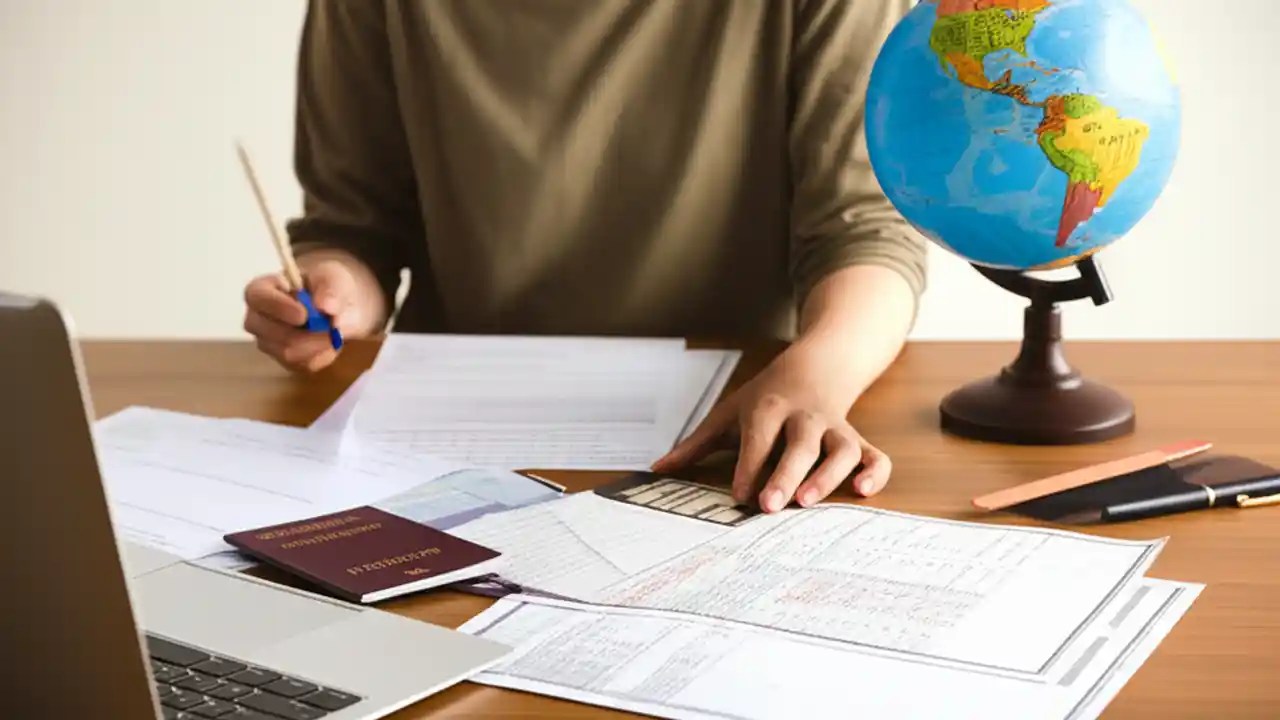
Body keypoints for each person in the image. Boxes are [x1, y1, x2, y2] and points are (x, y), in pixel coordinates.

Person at [242, 0, 926, 514]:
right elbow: (356, 227)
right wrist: (335, 296)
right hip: (447, 439)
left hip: (728, 431)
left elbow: (863, 228)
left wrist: (819, 375)